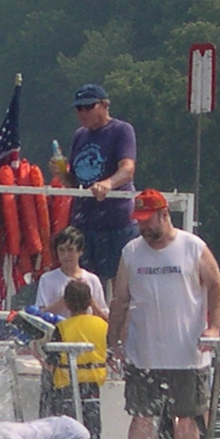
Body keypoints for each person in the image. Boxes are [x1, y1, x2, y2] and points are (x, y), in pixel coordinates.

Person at [107, 188, 220, 439]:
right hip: (143, 351)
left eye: (148, 221)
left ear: (164, 215)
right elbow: (120, 299)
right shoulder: (132, 252)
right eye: (139, 222)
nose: (144, 228)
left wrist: (213, 327)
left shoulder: (192, 247)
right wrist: (112, 343)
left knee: (186, 417)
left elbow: (216, 285)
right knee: (142, 415)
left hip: (187, 351)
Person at [65, 83, 137, 287]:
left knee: (120, 284)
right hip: (85, 223)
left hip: (116, 221)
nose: (83, 112)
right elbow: (75, 183)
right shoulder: (79, 135)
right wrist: (62, 173)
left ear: (104, 105)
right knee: (81, 283)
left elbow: (128, 169)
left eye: (89, 106)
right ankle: (86, 318)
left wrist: (108, 183)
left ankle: (119, 319)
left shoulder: (121, 130)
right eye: (79, 108)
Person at [43, 276, 108, 439]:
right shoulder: (102, 326)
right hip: (92, 390)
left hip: (65, 390)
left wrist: (38, 356)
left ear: (67, 304)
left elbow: (51, 366)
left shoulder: (62, 328)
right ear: (89, 302)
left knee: (65, 437)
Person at [34, 226, 102, 317]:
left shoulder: (92, 280)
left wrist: (90, 302)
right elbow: (38, 316)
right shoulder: (47, 279)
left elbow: (106, 319)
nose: (66, 255)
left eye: (70, 250)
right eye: (61, 250)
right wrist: (65, 300)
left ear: (80, 251)